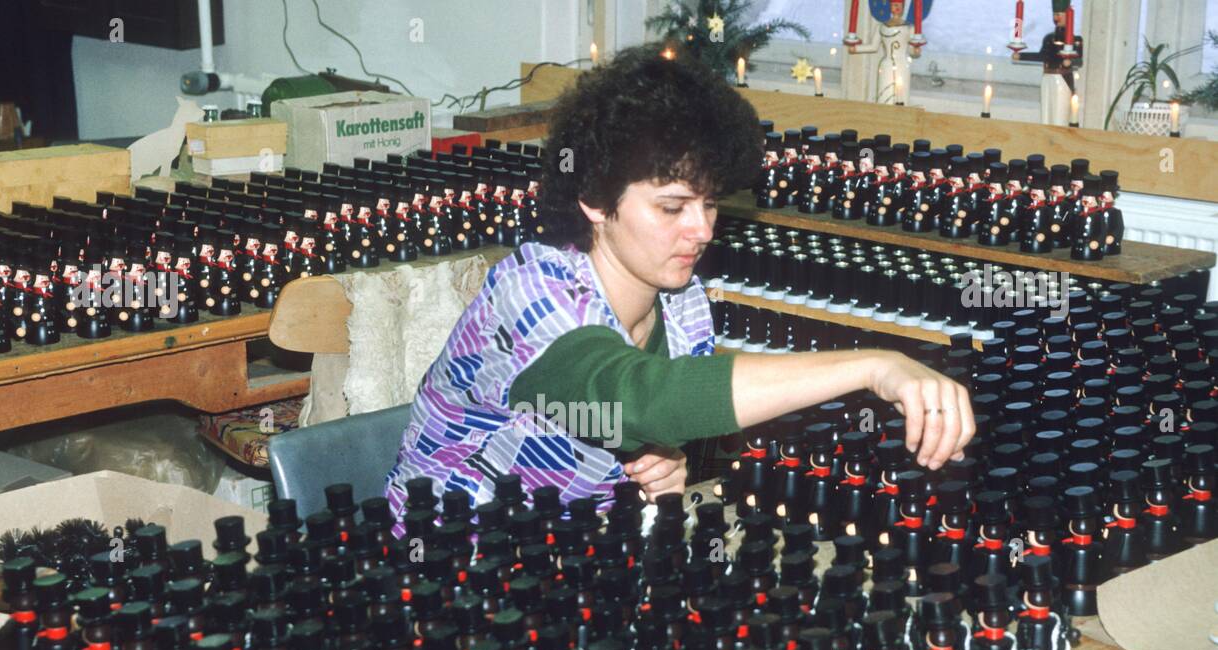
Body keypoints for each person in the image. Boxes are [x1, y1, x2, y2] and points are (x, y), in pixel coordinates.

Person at [384, 46, 974, 529]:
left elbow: (638, 418)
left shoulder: (683, 303)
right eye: (672, 207)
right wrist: (877, 365)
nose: (701, 230)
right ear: (593, 199)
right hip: (450, 558)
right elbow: (639, 398)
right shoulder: (532, 291)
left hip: (572, 550)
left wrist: (663, 461)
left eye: (709, 202)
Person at [1012, 0, 1083, 126]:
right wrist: (1021, 56)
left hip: (1062, 79)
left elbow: (1079, 60)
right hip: (1047, 78)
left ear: (1068, 15)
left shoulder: (1076, 40)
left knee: (1059, 117)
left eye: (1060, 14)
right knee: (1046, 116)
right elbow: (1042, 56)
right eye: (1055, 13)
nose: (1057, 17)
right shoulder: (1049, 39)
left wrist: (1069, 61)